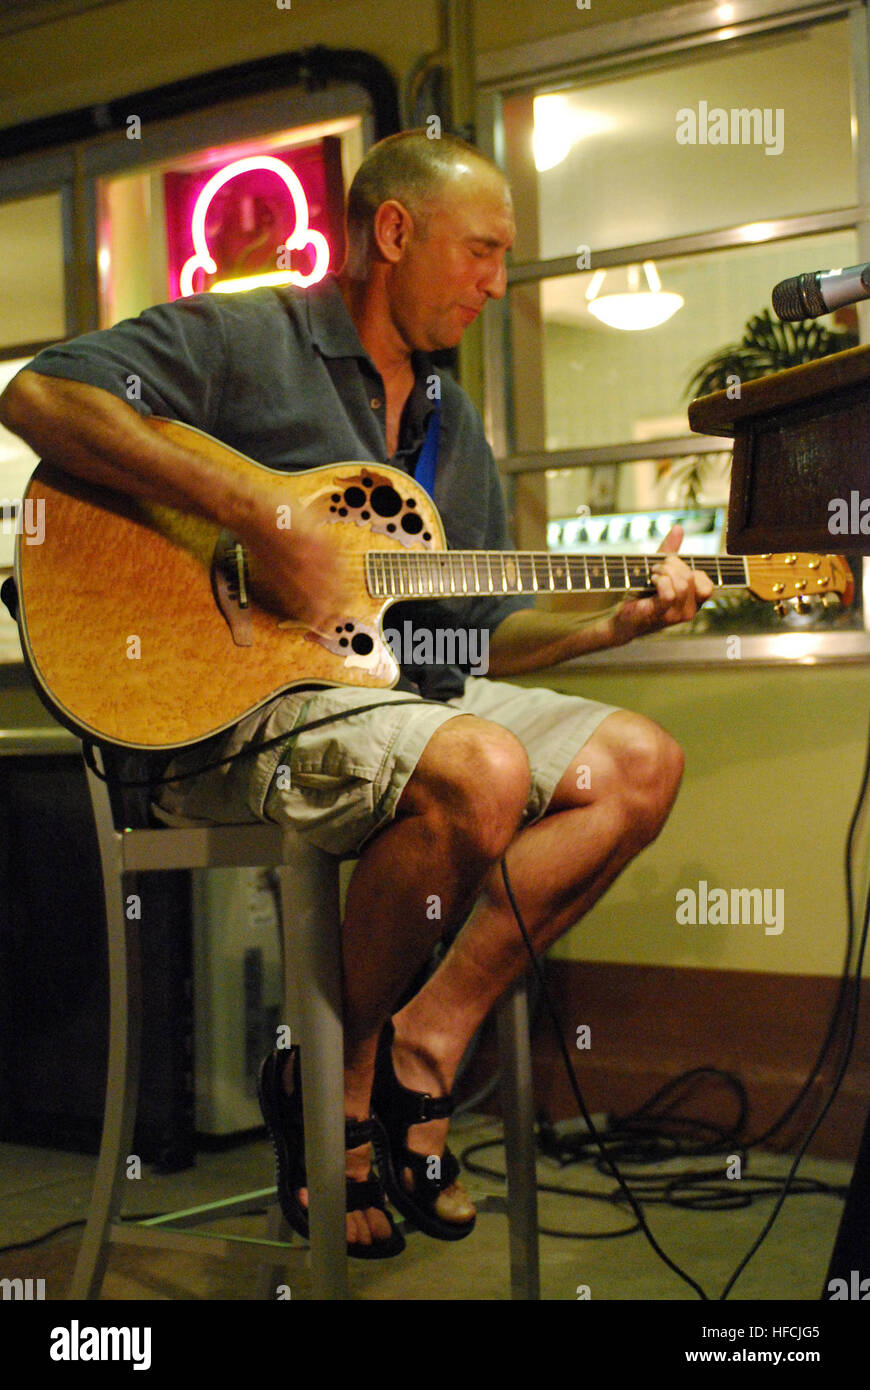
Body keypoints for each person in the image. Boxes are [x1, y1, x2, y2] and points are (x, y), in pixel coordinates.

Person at [0, 130, 713, 1257]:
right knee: (477, 766)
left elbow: (476, 633)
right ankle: (339, 1079)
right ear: (393, 232)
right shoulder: (251, 336)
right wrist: (258, 516)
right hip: (229, 722)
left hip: (400, 704)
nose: (496, 283)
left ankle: (422, 1041)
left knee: (641, 764)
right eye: (480, 252)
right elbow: (42, 396)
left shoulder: (446, 418)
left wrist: (605, 626)